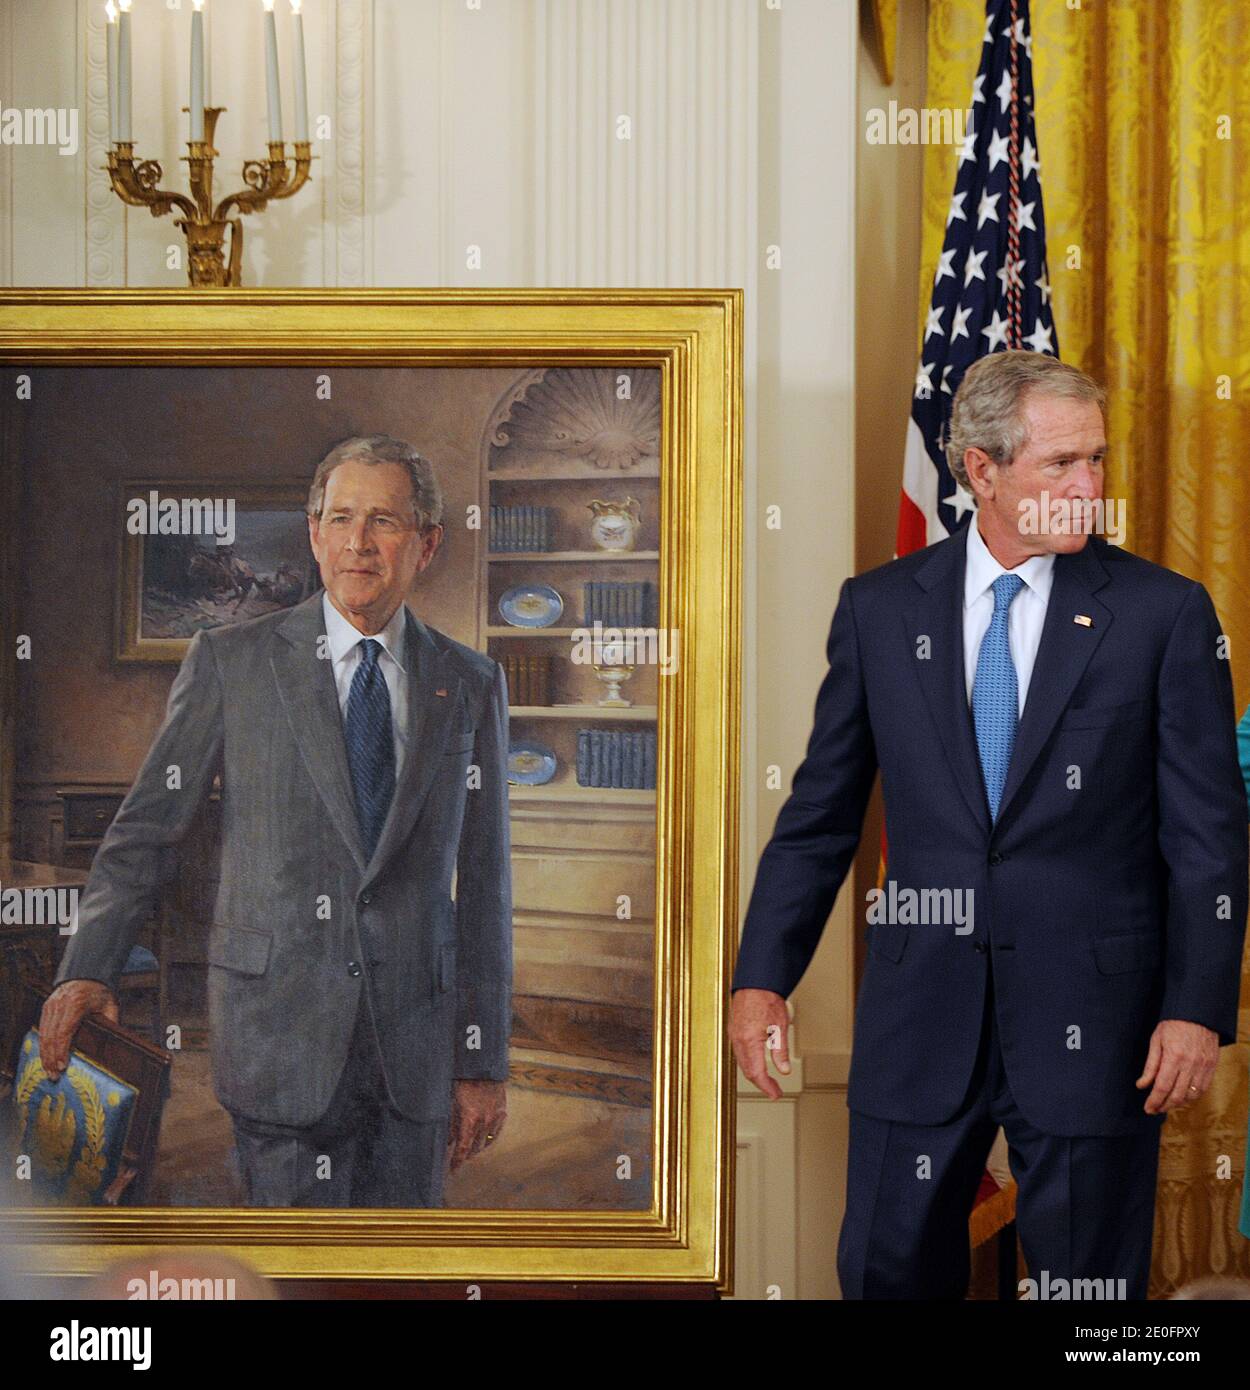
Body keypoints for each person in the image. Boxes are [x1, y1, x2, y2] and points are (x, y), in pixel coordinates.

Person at [731, 350, 1248, 1299]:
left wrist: (1197, 1008)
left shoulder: (1162, 616)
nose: (1089, 486)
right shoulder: (881, 611)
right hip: (919, 1019)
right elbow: (819, 817)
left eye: (1096, 460)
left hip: (1100, 1023)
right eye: (1061, 465)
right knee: (886, 1275)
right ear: (980, 471)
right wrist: (761, 980)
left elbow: (1208, 838)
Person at [38, 435, 513, 1208]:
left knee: (402, 1280)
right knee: (290, 1279)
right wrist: (89, 966)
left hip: (416, 1054)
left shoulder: (470, 681)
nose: (359, 542)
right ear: (314, 533)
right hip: (276, 1036)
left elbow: (488, 882)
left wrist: (481, 1056)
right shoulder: (230, 661)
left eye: (385, 521)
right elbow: (143, 837)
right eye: (342, 518)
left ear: (426, 544)